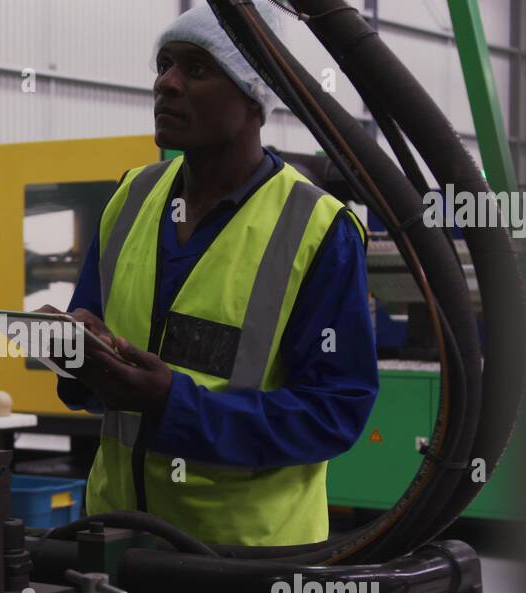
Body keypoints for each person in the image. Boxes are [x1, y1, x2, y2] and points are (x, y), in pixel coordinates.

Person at [47, 4, 378, 546]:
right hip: (120, 542)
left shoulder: (318, 229)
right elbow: (94, 377)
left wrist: (172, 403)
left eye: (196, 70)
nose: (166, 85)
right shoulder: (130, 200)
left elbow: (334, 412)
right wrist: (75, 355)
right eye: (164, 64)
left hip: (247, 563)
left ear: (254, 96)